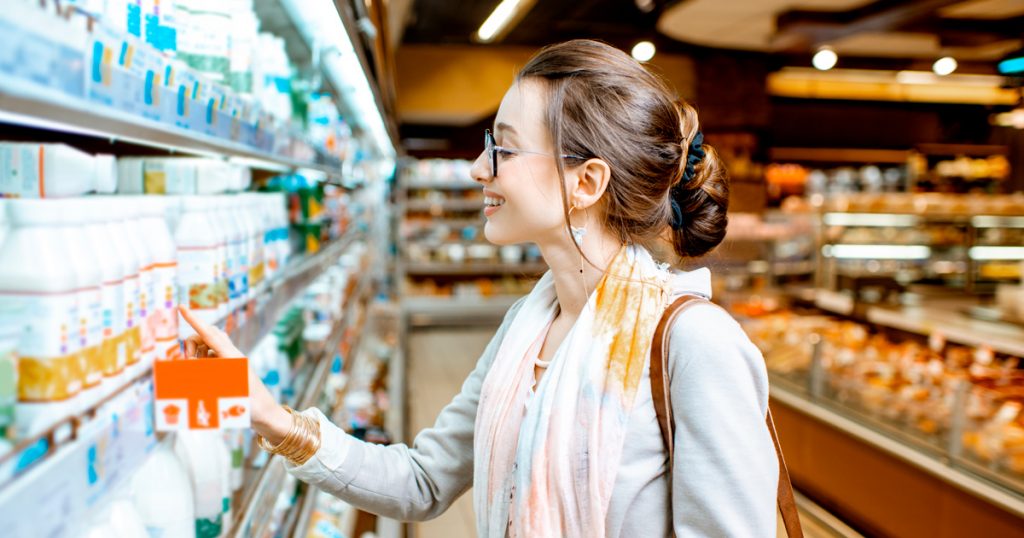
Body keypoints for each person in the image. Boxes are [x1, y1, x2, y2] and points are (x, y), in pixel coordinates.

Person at [180, 39, 778, 537]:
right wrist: (272, 419)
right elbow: (424, 482)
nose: (478, 168)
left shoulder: (694, 344)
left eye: (504, 148)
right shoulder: (529, 324)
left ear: (587, 181)